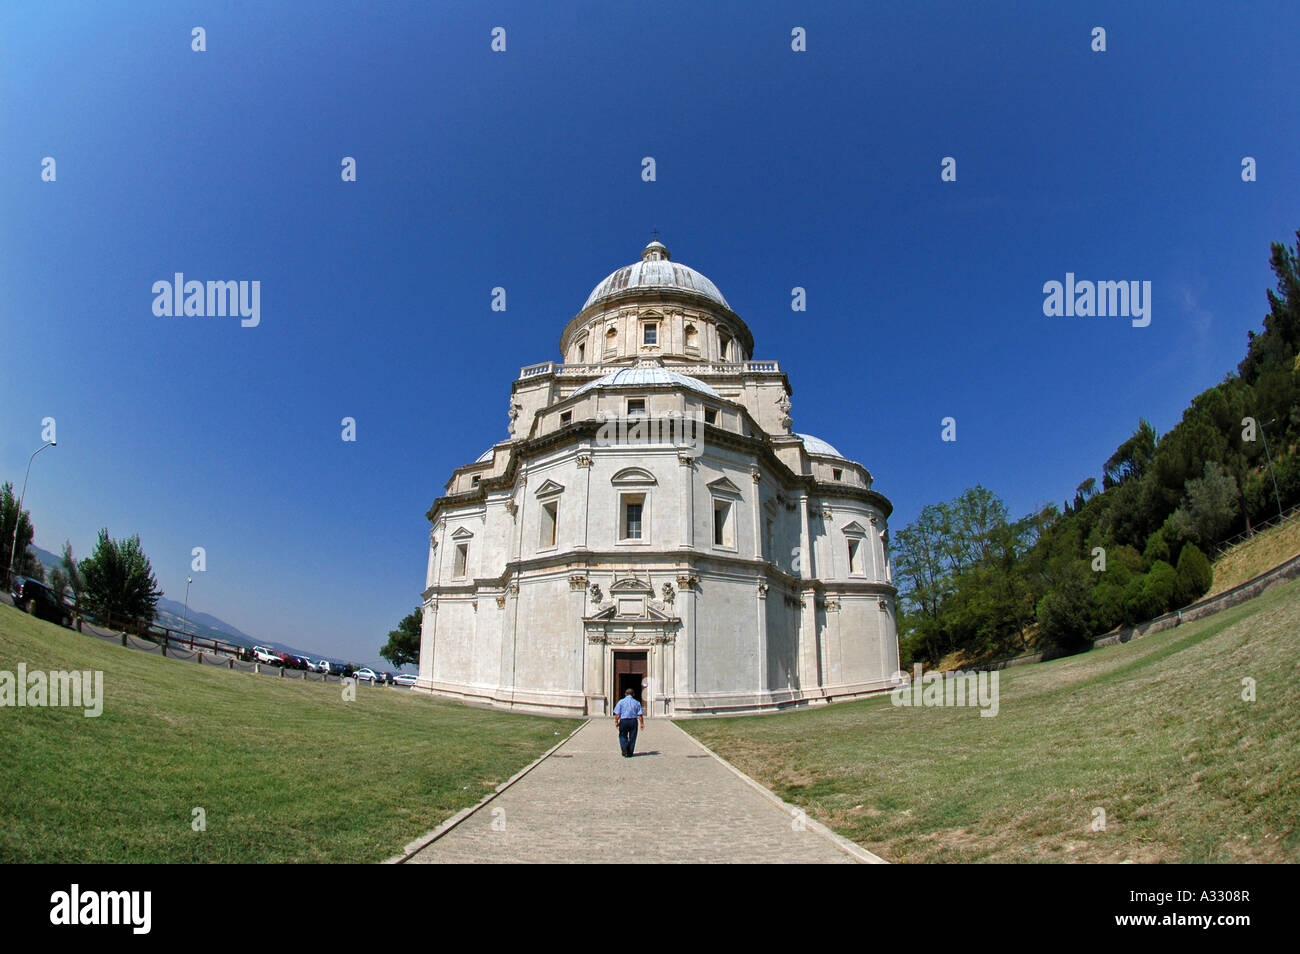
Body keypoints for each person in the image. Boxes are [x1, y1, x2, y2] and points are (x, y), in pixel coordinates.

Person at [613, 688, 645, 757]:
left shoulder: (621, 702)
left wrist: (616, 721)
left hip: (623, 721)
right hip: (633, 721)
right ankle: (630, 752)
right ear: (633, 694)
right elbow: (640, 715)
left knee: (622, 735)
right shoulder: (637, 702)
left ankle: (624, 747)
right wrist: (642, 723)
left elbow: (617, 714)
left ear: (625, 694)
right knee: (632, 737)